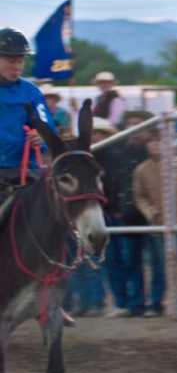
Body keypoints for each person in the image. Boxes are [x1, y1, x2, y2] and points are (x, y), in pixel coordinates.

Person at [133, 127, 177, 318]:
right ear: (147, 145)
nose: (156, 145)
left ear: (168, 144)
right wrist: (151, 213)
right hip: (159, 227)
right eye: (152, 141)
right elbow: (140, 197)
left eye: (160, 141)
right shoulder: (141, 170)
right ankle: (175, 303)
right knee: (165, 268)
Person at [96, 109, 152, 317]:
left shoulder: (149, 154)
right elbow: (113, 183)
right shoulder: (119, 153)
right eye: (130, 124)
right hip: (118, 214)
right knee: (115, 260)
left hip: (140, 216)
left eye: (138, 124)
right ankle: (123, 302)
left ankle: (137, 303)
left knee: (133, 261)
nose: (133, 128)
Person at [64, 117, 118, 317]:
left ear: (104, 136)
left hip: (95, 213)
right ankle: (84, 301)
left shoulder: (106, 158)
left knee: (92, 260)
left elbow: (109, 186)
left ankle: (95, 302)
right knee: (77, 262)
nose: (94, 137)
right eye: (92, 133)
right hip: (80, 214)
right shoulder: (81, 160)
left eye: (98, 133)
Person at [0, 27, 52, 195]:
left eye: (20, 61)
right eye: (11, 61)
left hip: (23, 170)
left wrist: (41, 136)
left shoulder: (31, 91)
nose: (17, 67)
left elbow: (47, 128)